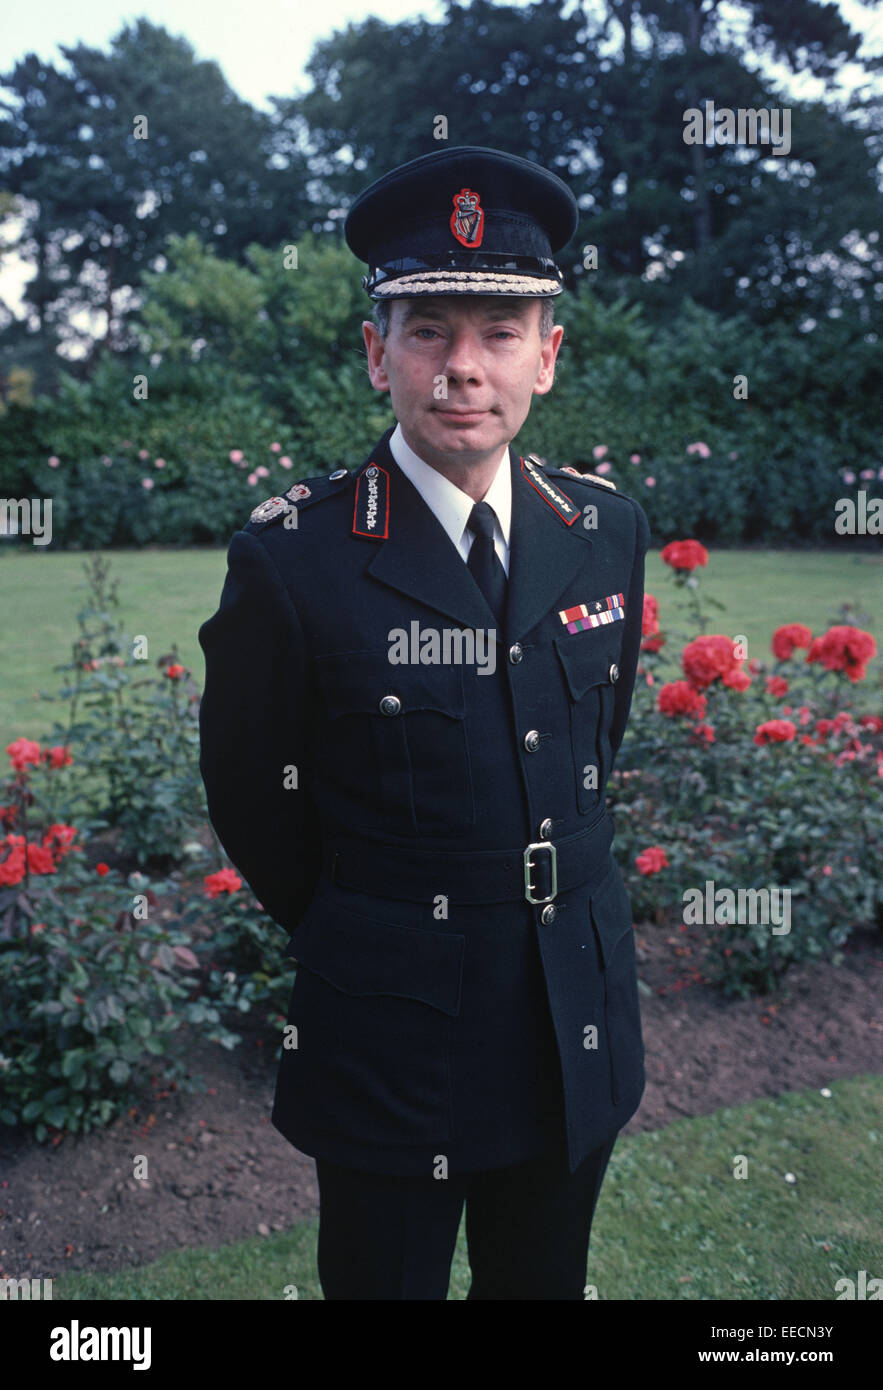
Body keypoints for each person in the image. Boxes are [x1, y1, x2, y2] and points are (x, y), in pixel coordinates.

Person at [197, 145, 650, 1300]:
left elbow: (591, 750)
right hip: (395, 1027)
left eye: (498, 333)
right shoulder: (293, 558)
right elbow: (255, 797)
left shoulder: (602, 530)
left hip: (570, 1007)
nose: (462, 367)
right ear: (374, 351)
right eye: (427, 329)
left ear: (547, 357)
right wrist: (375, 921)